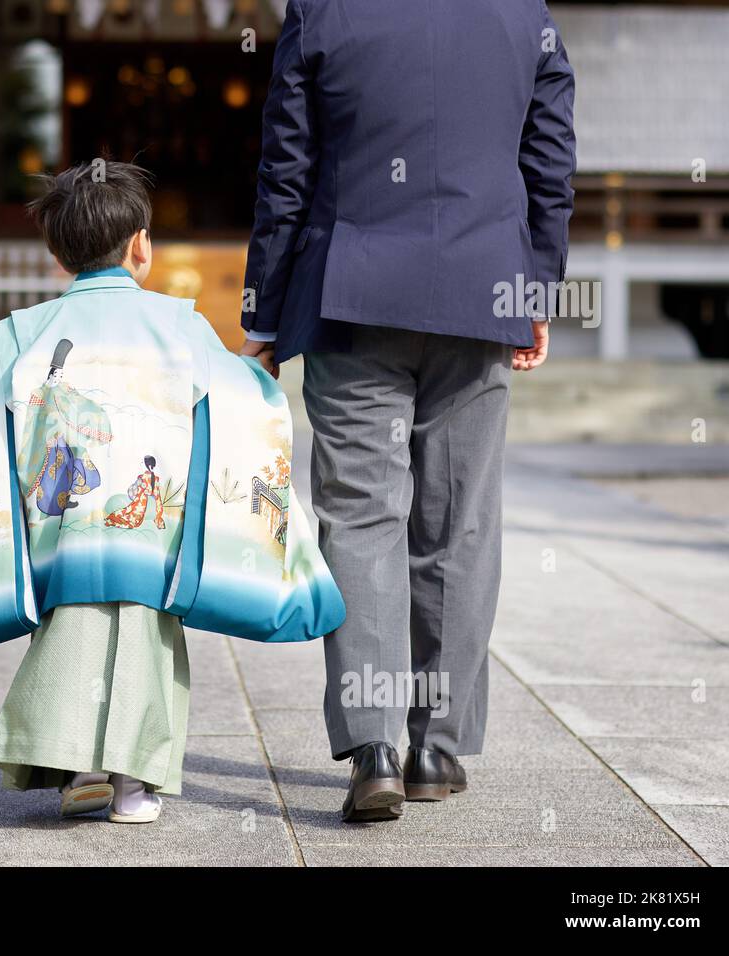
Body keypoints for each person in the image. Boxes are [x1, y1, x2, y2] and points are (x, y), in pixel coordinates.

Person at [0, 161, 345, 824]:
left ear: (57, 255)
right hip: (155, 527)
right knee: (144, 635)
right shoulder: (179, 324)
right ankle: (132, 783)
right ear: (141, 246)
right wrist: (256, 373)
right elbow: (241, 398)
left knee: (73, 624)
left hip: (63, 518)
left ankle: (79, 767)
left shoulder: (20, 331)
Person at [240, 0, 575, 821]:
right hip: (481, 284)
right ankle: (437, 743)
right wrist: (536, 285)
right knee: (459, 523)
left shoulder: (321, 8)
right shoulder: (519, 13)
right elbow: (550, 155)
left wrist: (266, 310)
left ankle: (374, 746)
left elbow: (287, 164)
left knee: (359, 519)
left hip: (353, 291)